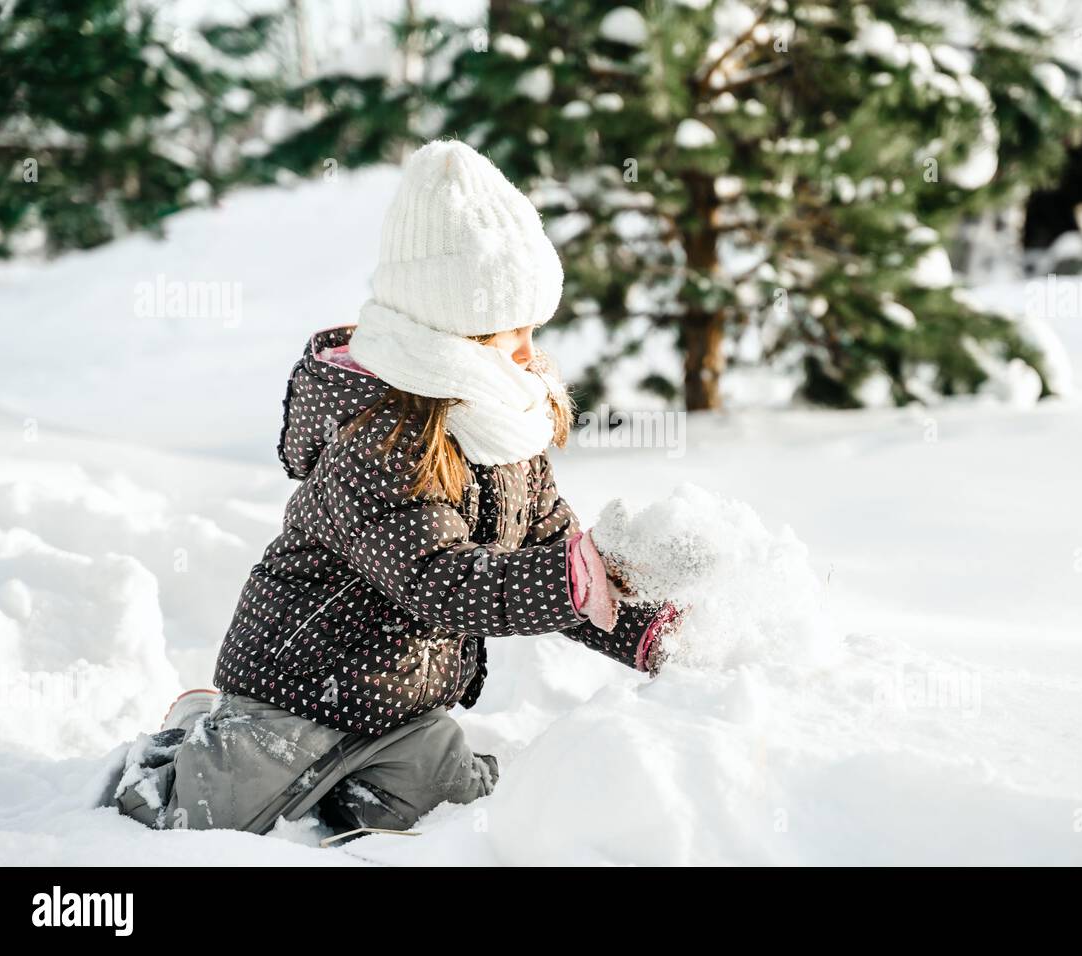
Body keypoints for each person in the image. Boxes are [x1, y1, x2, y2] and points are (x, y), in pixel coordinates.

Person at [111, 139, 681, 837]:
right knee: (203, 820)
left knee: (453, 794)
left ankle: (343, 789)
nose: (532, 354)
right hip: (295, 696)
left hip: (395, 707)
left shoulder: (507, 435)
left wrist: (644, 628)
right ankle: (194, 731)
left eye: (536, 328)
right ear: (452, 338)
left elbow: (554, 558)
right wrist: (571, 576)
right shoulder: (379, 443)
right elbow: (442, 580)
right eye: (511, 335)